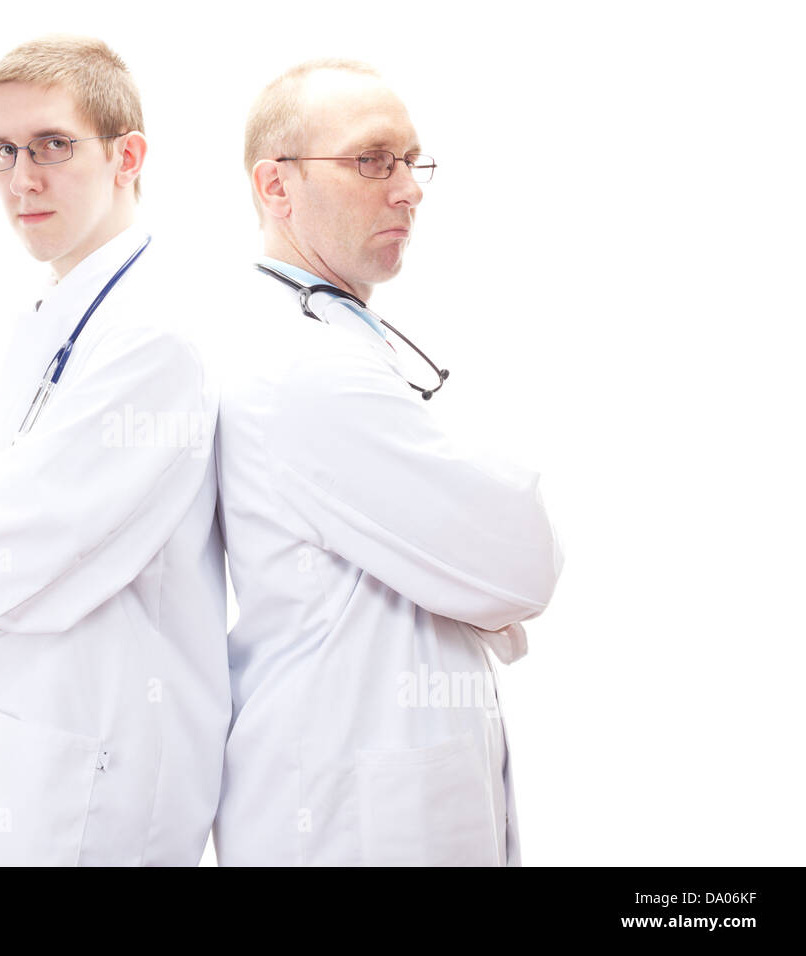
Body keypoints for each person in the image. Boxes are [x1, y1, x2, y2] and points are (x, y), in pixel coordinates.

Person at [210, 59, 564, 866]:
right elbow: (525, 560)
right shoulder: (305, 370)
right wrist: (472, 579)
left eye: (411, 161)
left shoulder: (329, 342)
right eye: (372, 160)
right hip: (346, 818)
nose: (408, 189)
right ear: (276, 186)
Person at [0, 36, 228, 866]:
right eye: (3, 150)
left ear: (128, 155)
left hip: (94, 781)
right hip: (14, 758)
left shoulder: (154, 338)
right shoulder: (53, 320)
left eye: (52, 145)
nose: (22, 179)